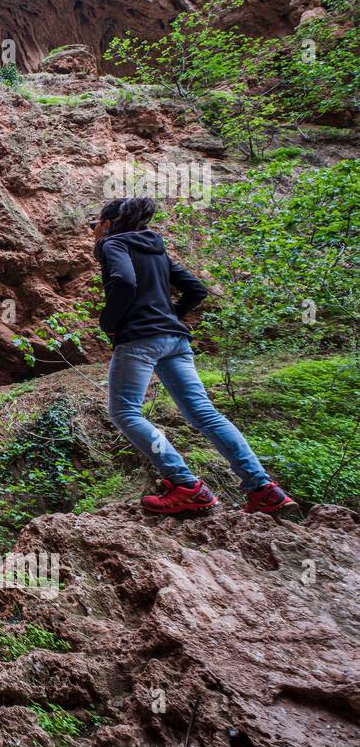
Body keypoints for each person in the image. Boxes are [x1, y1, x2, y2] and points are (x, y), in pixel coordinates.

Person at [93, 197, 295, 515]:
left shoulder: (111, 244)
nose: (93, 231)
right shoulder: (155, 247)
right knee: (205, 414)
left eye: (95, 225)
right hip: (175, 339)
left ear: (107, 224)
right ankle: (263, 490)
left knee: (125, 412)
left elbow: (124, 282)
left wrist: (110, 323)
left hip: (140, 339)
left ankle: (185, 485)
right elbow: (196, 289)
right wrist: (170, 315)